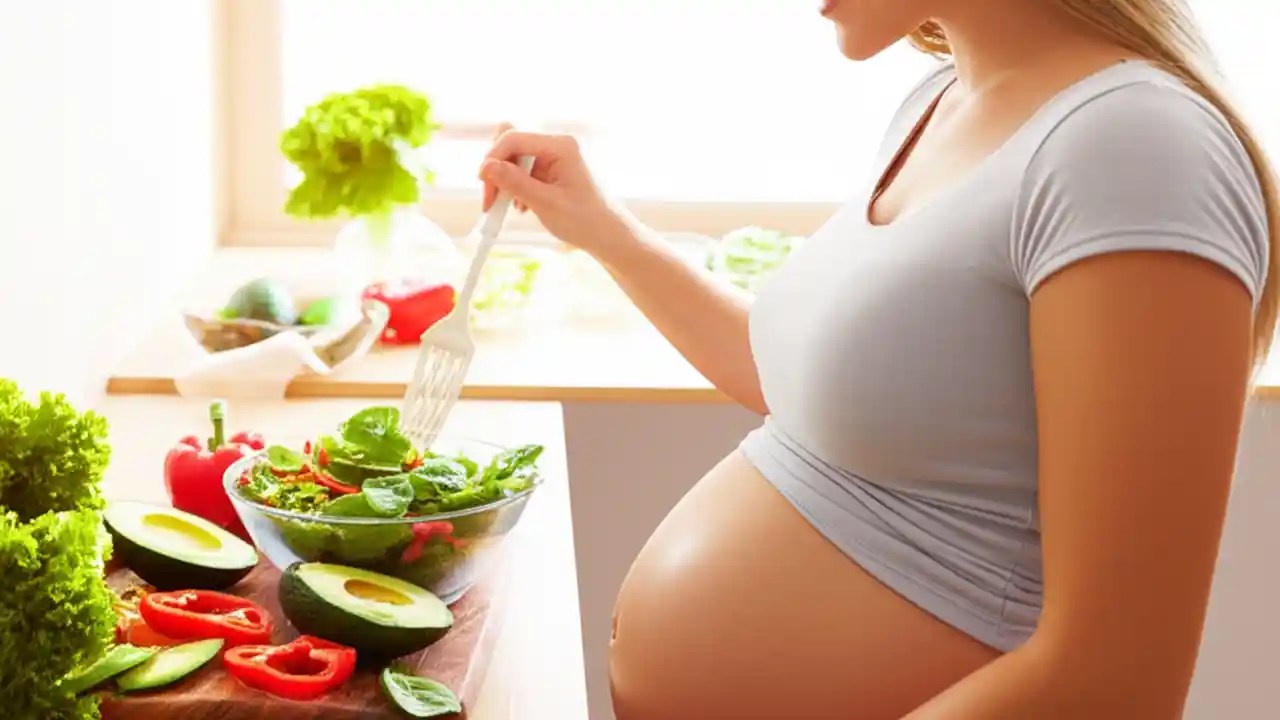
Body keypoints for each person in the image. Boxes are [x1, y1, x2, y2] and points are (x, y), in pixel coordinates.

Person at [480, 1, 1278, 717]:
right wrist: (603, 231)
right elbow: (803, 391)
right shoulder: (940, 101)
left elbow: (1117, 678)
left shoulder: (1137, 147)